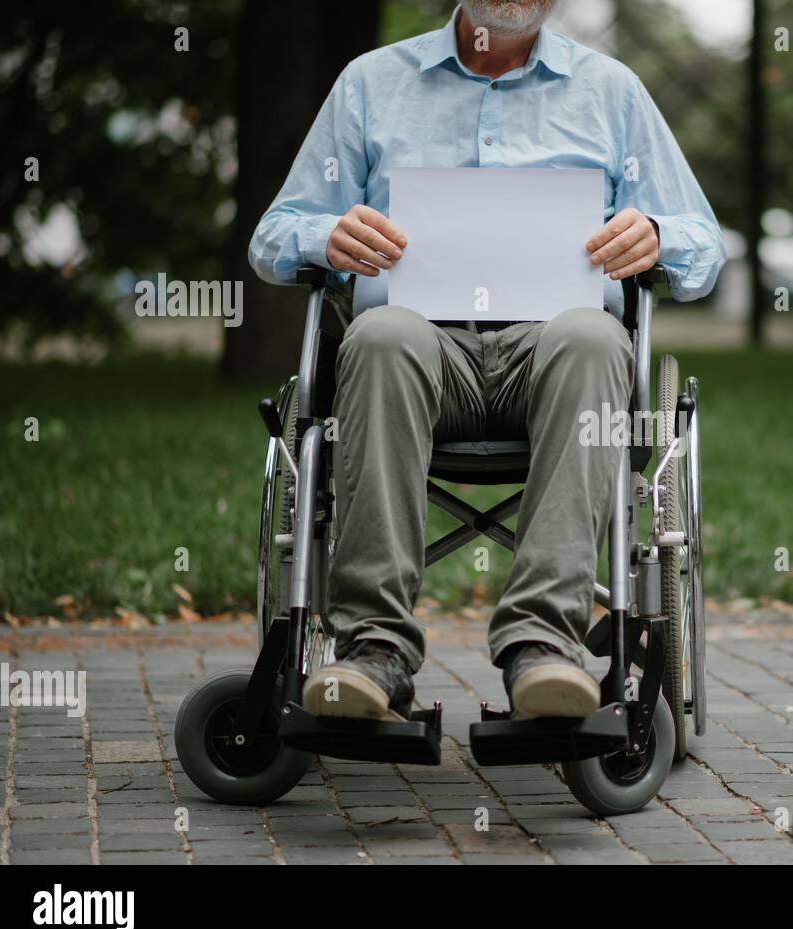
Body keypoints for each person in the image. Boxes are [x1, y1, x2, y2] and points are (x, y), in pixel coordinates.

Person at [248, 0, 725, 721]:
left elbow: (705, 246)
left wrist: (658, 234)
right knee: (378, 337)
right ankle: (374, 649)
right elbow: (273, 234)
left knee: (597, 338)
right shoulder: (371, 84)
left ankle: (542, 645)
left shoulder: (611, 91)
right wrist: (324, 235)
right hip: (418, 355)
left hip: (557, 357)